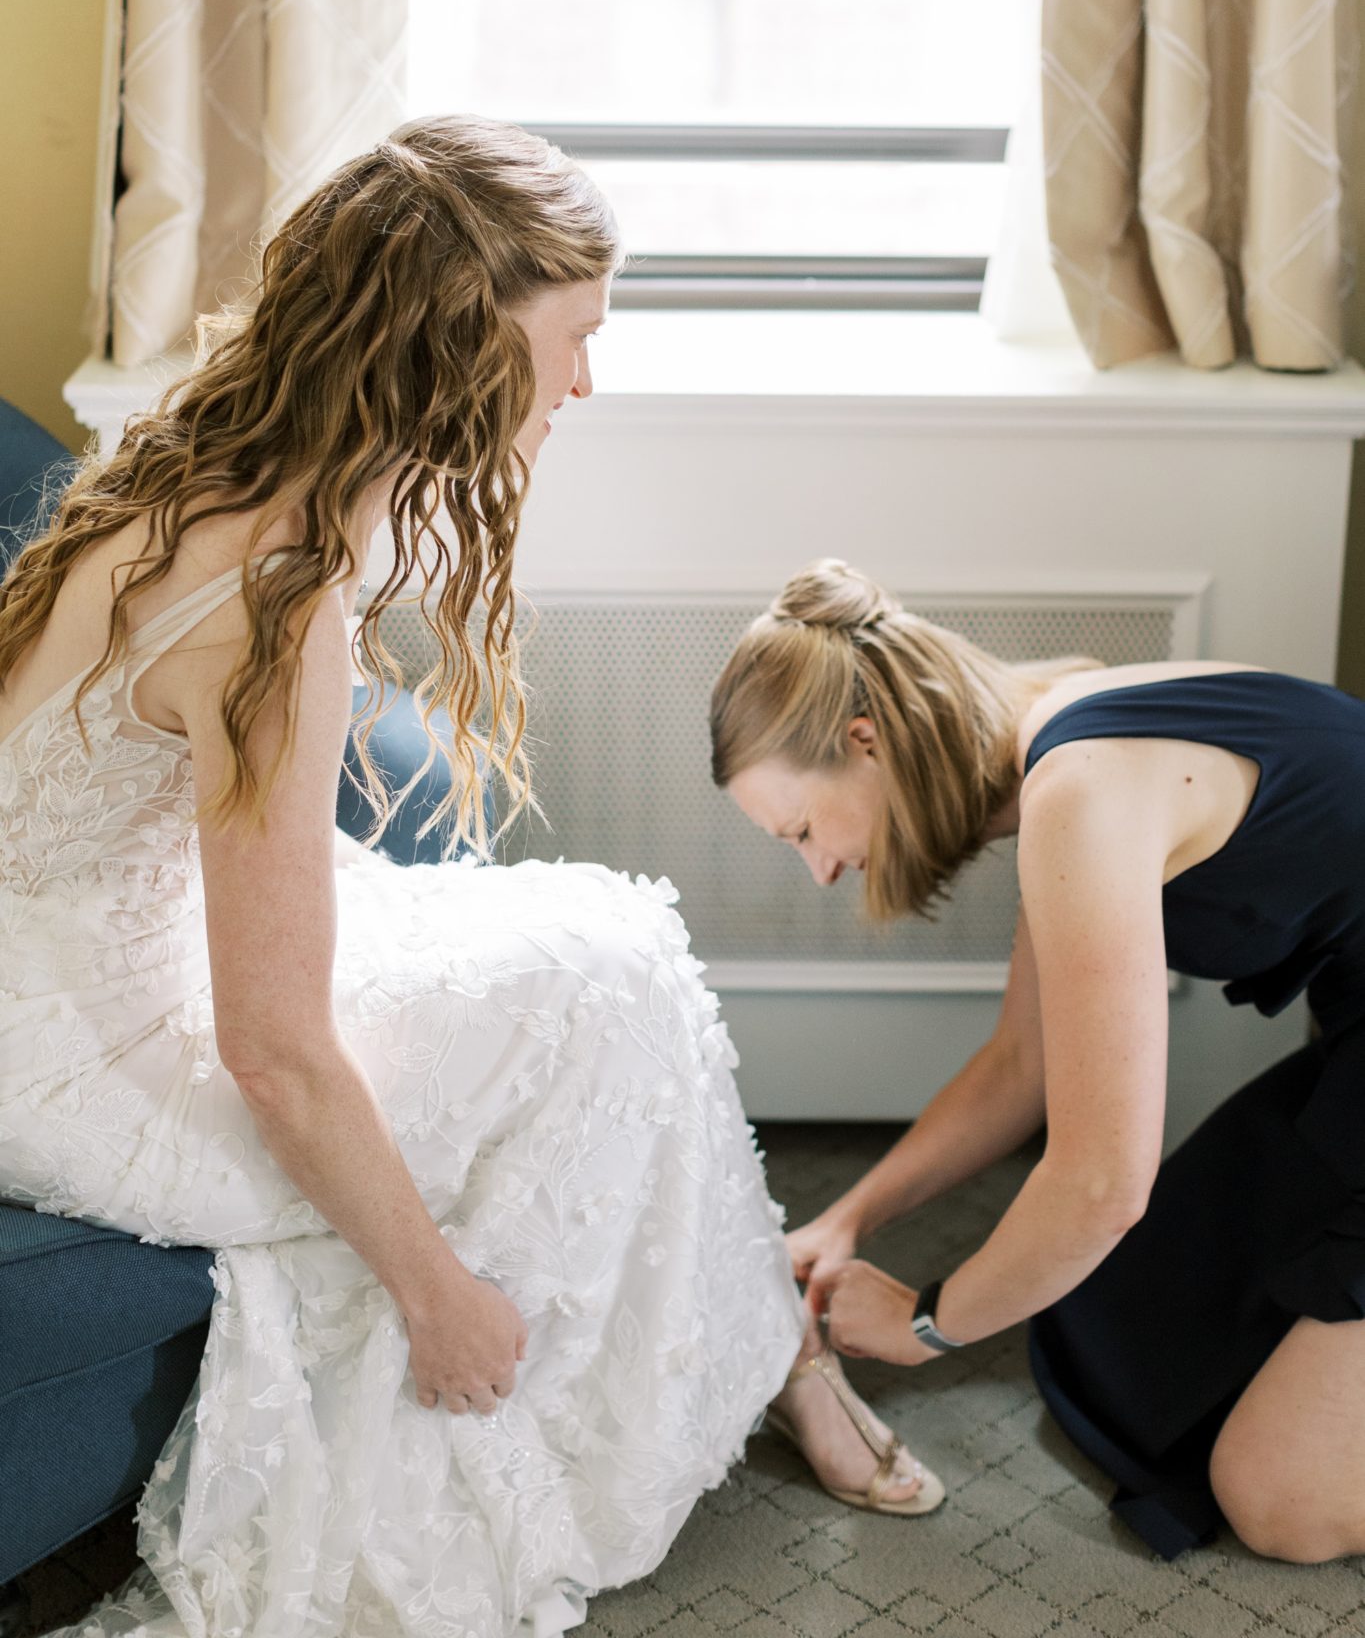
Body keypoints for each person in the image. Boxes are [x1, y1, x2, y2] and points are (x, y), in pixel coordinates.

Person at [0, 125, 931, 1638]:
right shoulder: (269, 595)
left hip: (52, 965)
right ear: (454, 342)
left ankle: (770, 1344)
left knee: (612, 946)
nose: (584, 386)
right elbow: (277, 1055)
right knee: (600, 1007)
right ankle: (769, 1353)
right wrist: (436, 1292)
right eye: (574, 342)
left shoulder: (204, 460)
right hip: (81, 1060)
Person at [711, 556, 1365, 1565]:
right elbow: (1023, 1065)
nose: (822, 866)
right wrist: (851, 1216)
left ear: (866, 738)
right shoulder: (1051, 720)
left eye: (802, 826)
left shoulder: (1081, 791)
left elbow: (1105, 1183)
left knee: (1278, 1497)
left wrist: (931, 1321)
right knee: (1117, 1331)